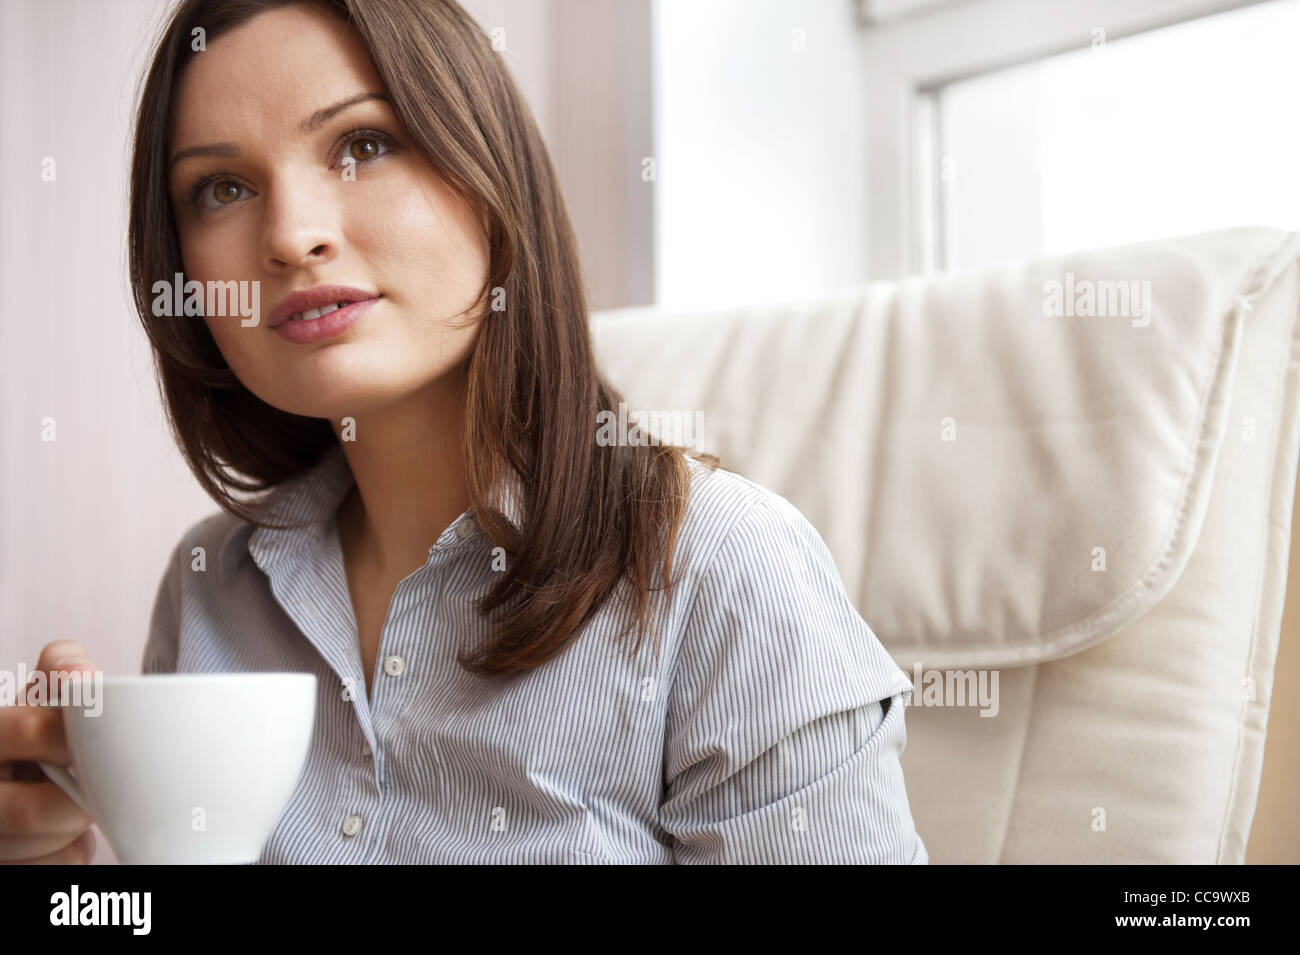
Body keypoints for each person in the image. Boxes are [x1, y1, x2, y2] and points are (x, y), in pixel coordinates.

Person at [0, 0, 927, 864]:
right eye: (221, 188)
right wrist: (72, 885)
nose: (290, 235)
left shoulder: (725, 575)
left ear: (490, 174)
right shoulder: (211, 594)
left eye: (362, 142)